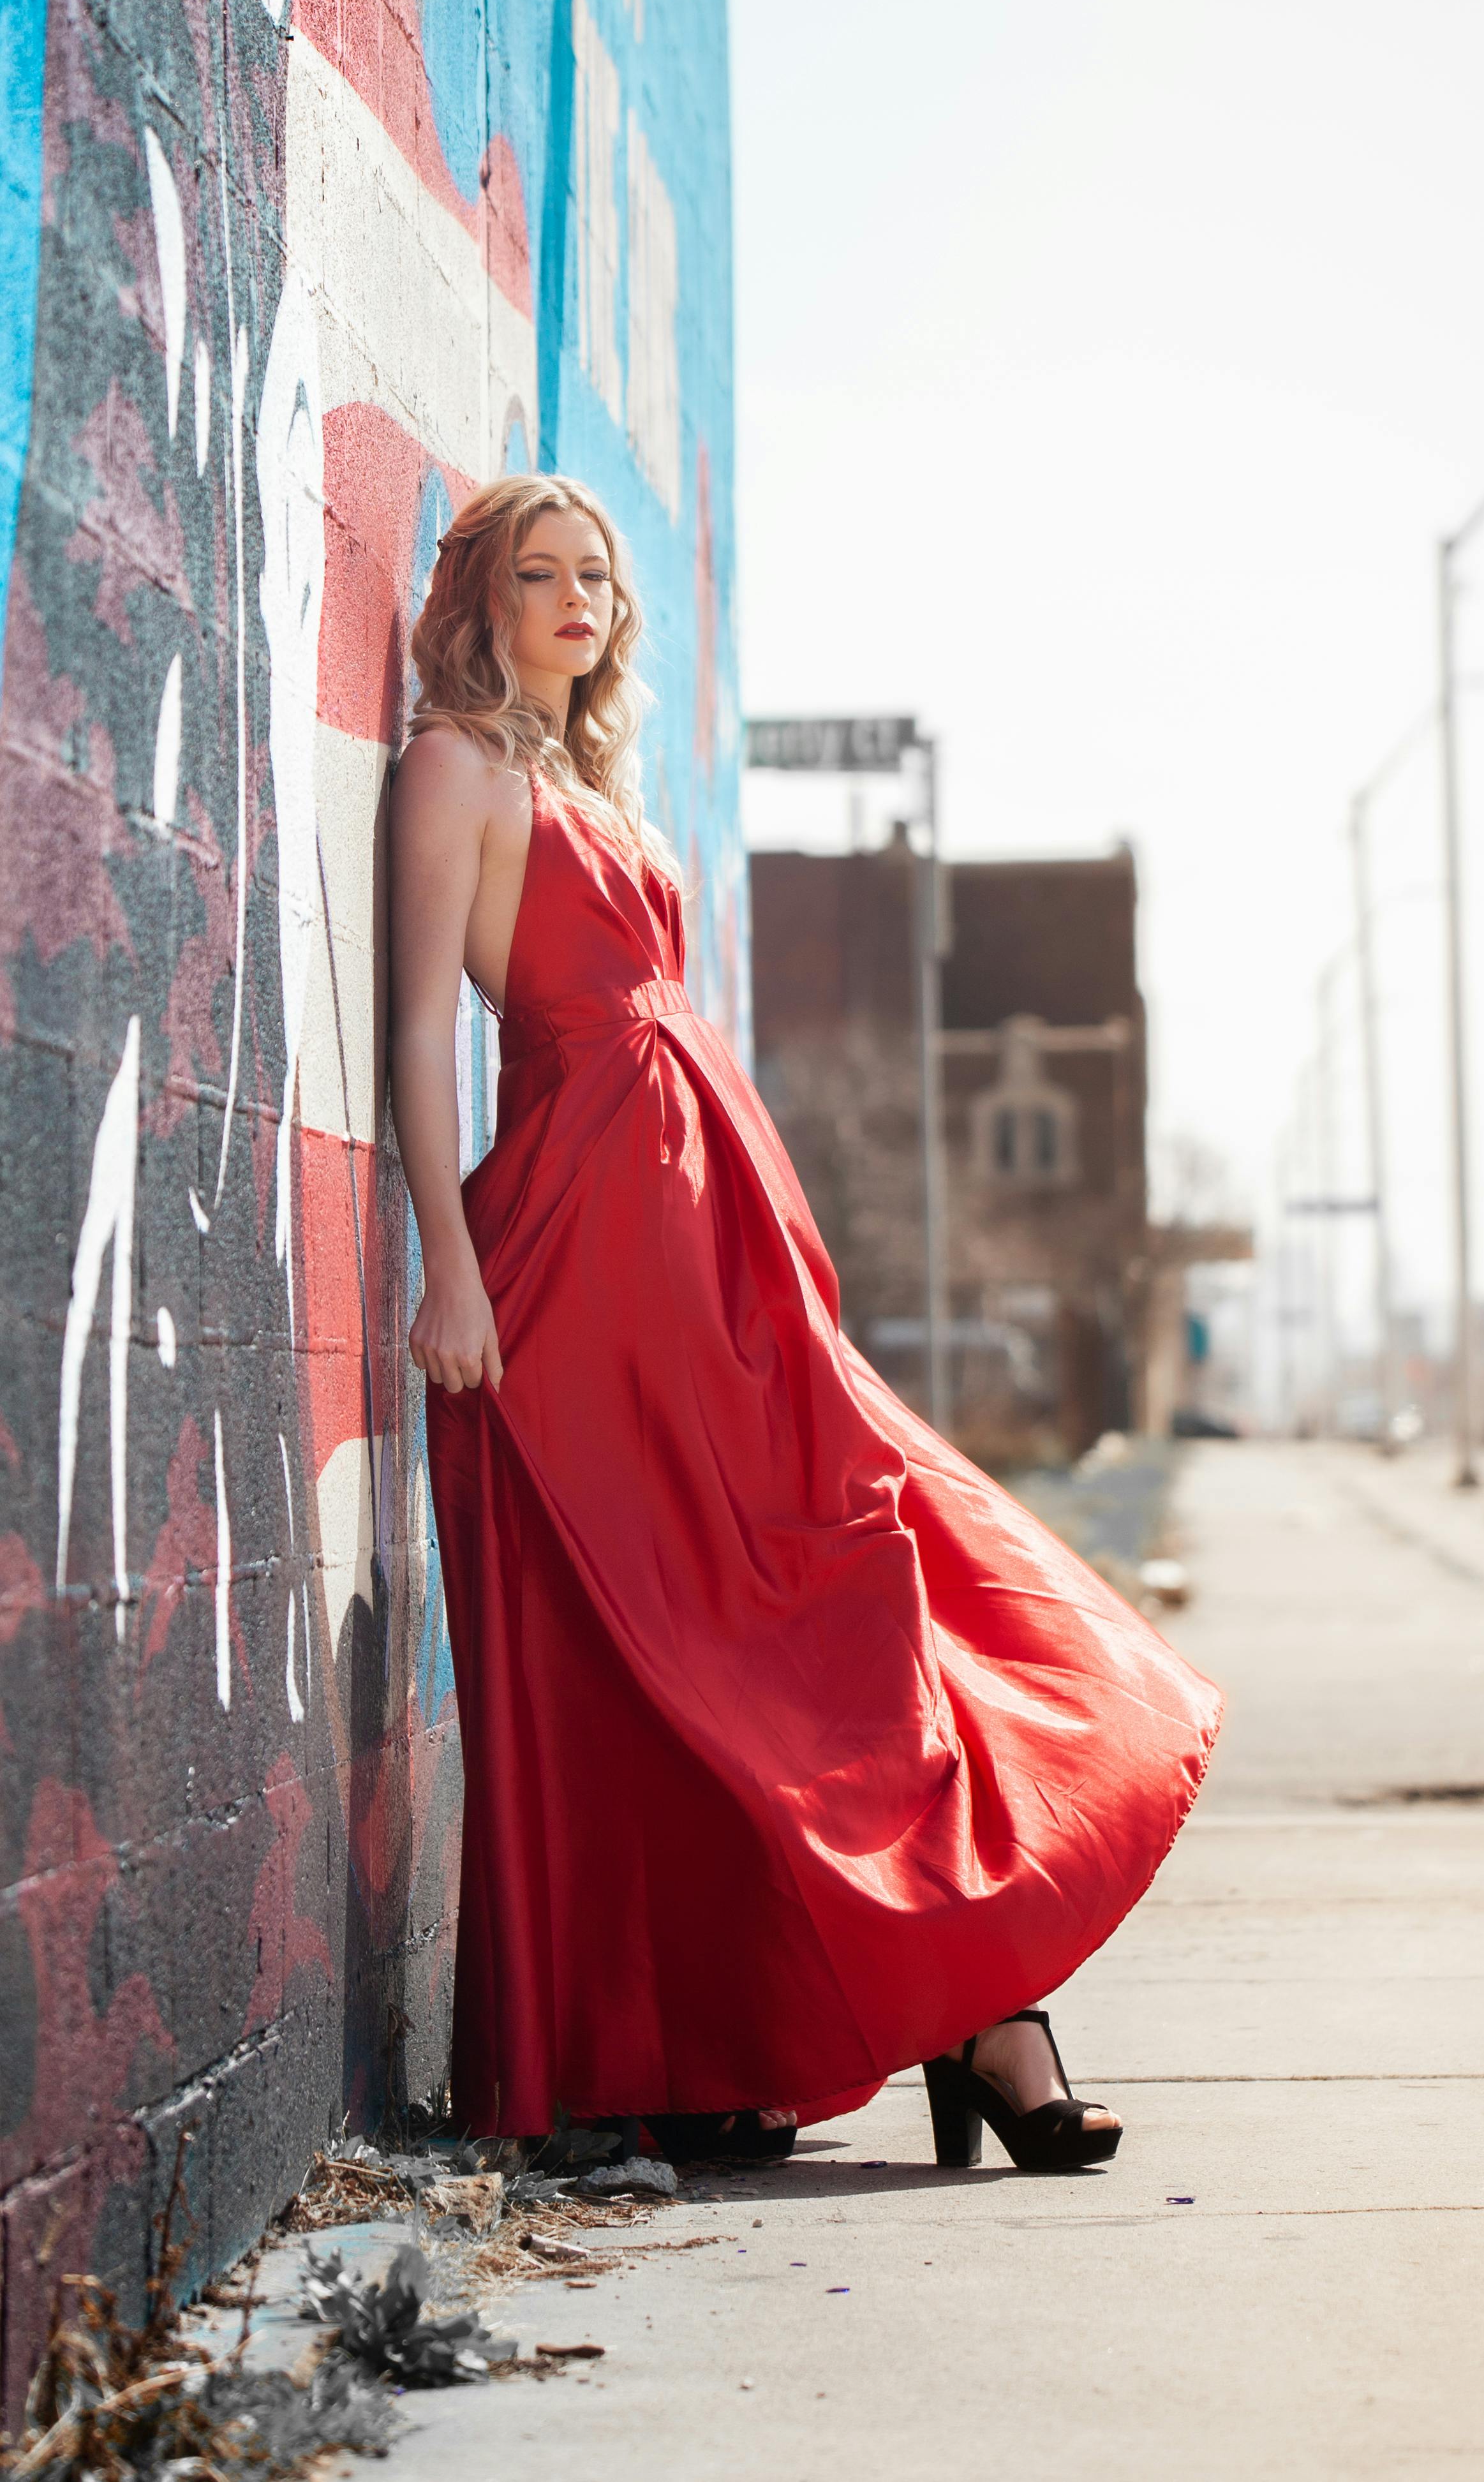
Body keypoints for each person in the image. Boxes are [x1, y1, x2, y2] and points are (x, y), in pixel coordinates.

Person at [389, 473, 1222, 2174]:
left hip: (720, 1242)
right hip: (576, 1256)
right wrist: (445, 1266)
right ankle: (776, 2038)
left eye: (597, 573)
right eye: (540, 572)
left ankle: (977, 1996)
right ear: (482, 597)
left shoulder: (603, 786)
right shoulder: (453, 770)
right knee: (658, 1649)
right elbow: (416, 1031)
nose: (578, 598)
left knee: (857, 1577)